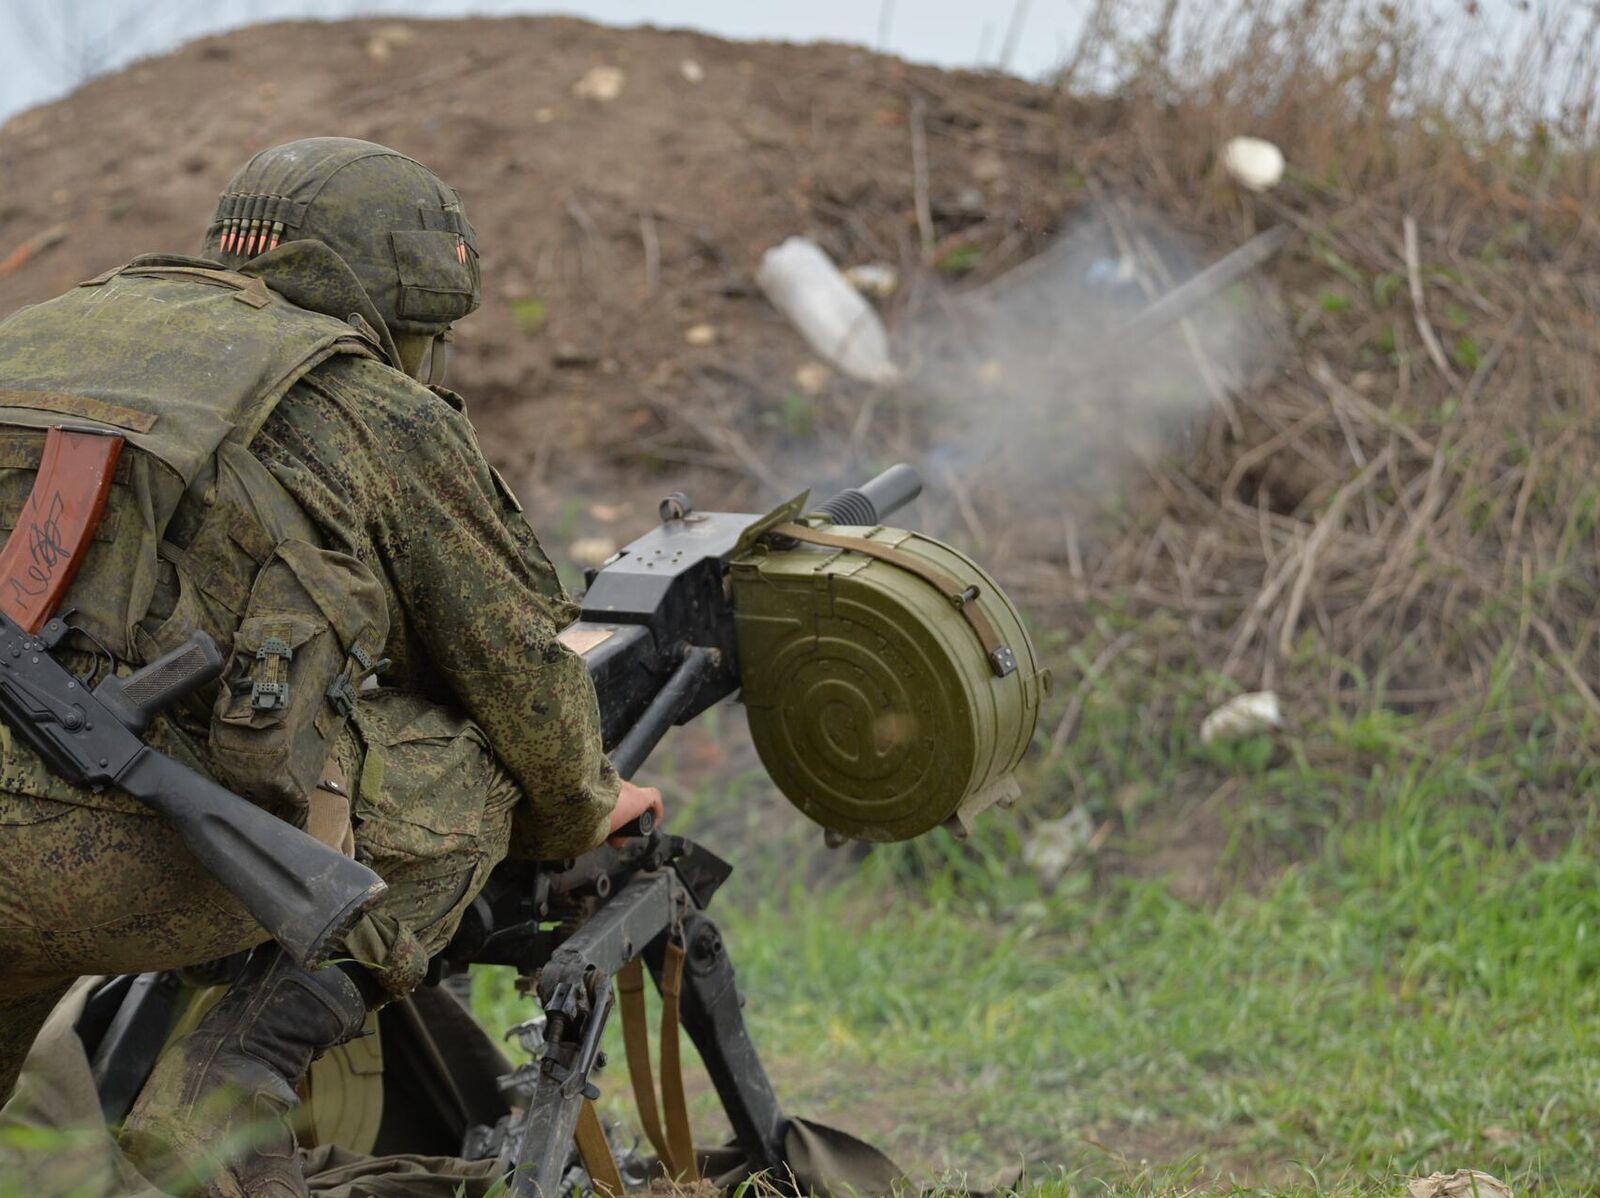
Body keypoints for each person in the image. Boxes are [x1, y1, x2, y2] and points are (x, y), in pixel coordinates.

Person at [0, 137, 660, 1195]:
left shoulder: (34, 335)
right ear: (390, 296)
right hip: (125, 846)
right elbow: (519, 676)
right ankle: (227, 1077)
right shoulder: (364, 401)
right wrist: (581, 807)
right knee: (473, 769)